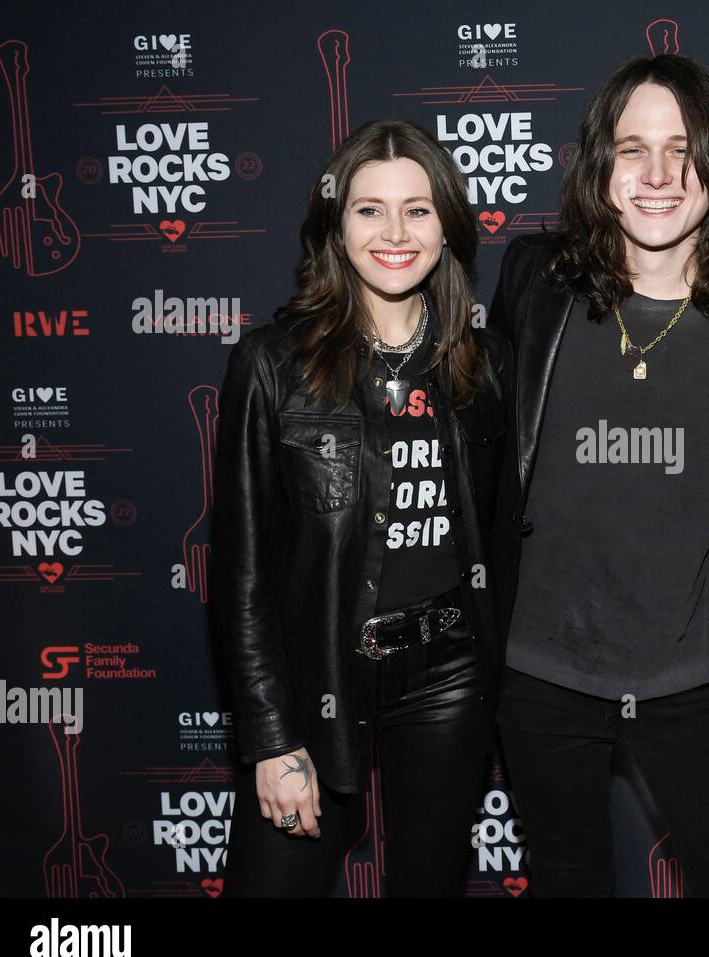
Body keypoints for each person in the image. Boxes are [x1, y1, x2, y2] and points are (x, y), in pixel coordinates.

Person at [488, 54, 709, 896]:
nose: (658, 174)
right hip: (542, 677)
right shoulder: (535, 284)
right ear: (599, 167)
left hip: (694, 683)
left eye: (682, 148)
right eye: (632, 148)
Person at [211, 119, 510, 897]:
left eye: (417, 209)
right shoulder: (272, 365)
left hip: (449, 671)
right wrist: (272, 739)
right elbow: (241, 576)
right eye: (369, 209)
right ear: (335, 229)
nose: (395, 232)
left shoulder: (480, 365)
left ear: (447, 228)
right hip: (318, 669)